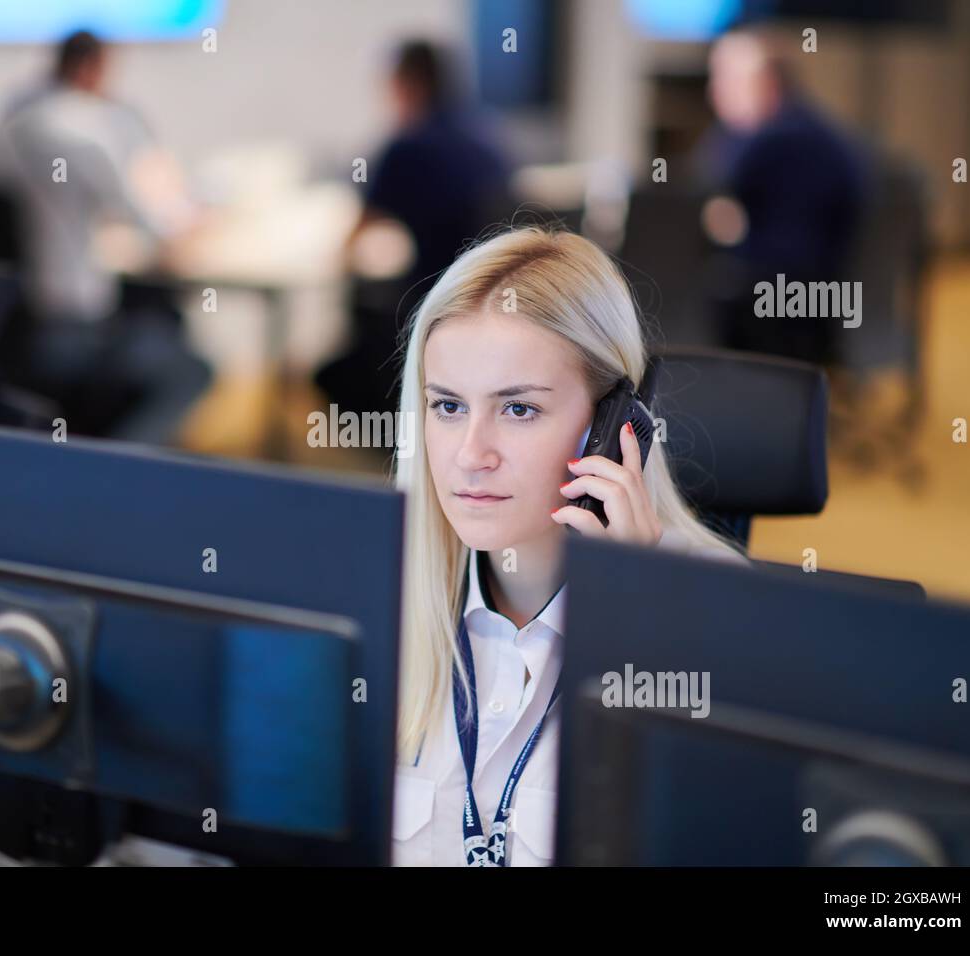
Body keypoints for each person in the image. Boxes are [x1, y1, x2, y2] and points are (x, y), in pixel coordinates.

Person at [390, 226, 745, 867]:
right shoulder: (383, 597)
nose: (471, 456)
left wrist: (634, 622)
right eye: (447, 406)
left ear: (613, 425)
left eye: (518, 409)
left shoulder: (715, 619)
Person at [0, 30, 209, 445]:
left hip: (3, 328)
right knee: (192, 369)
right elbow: (152, 223)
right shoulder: (84, 133)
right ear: (92, 69)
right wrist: (193, 222)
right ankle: (117, 467)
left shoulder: (2, 132)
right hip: (72, 331)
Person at [316, 40, 515, 419]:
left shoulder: (407, 147)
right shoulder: (491, 141)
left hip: (428, 315)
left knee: (331, 373)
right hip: (492, 313)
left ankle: (395, 461)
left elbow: (355, 238)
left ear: (407, 84)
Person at [695, 28, 866, 366]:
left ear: (767, 84)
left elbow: (710, 215)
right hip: (821, 305)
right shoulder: (831, 136)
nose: (714, 92)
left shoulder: (768, 144)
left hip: (774, 312)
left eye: (728, 80)